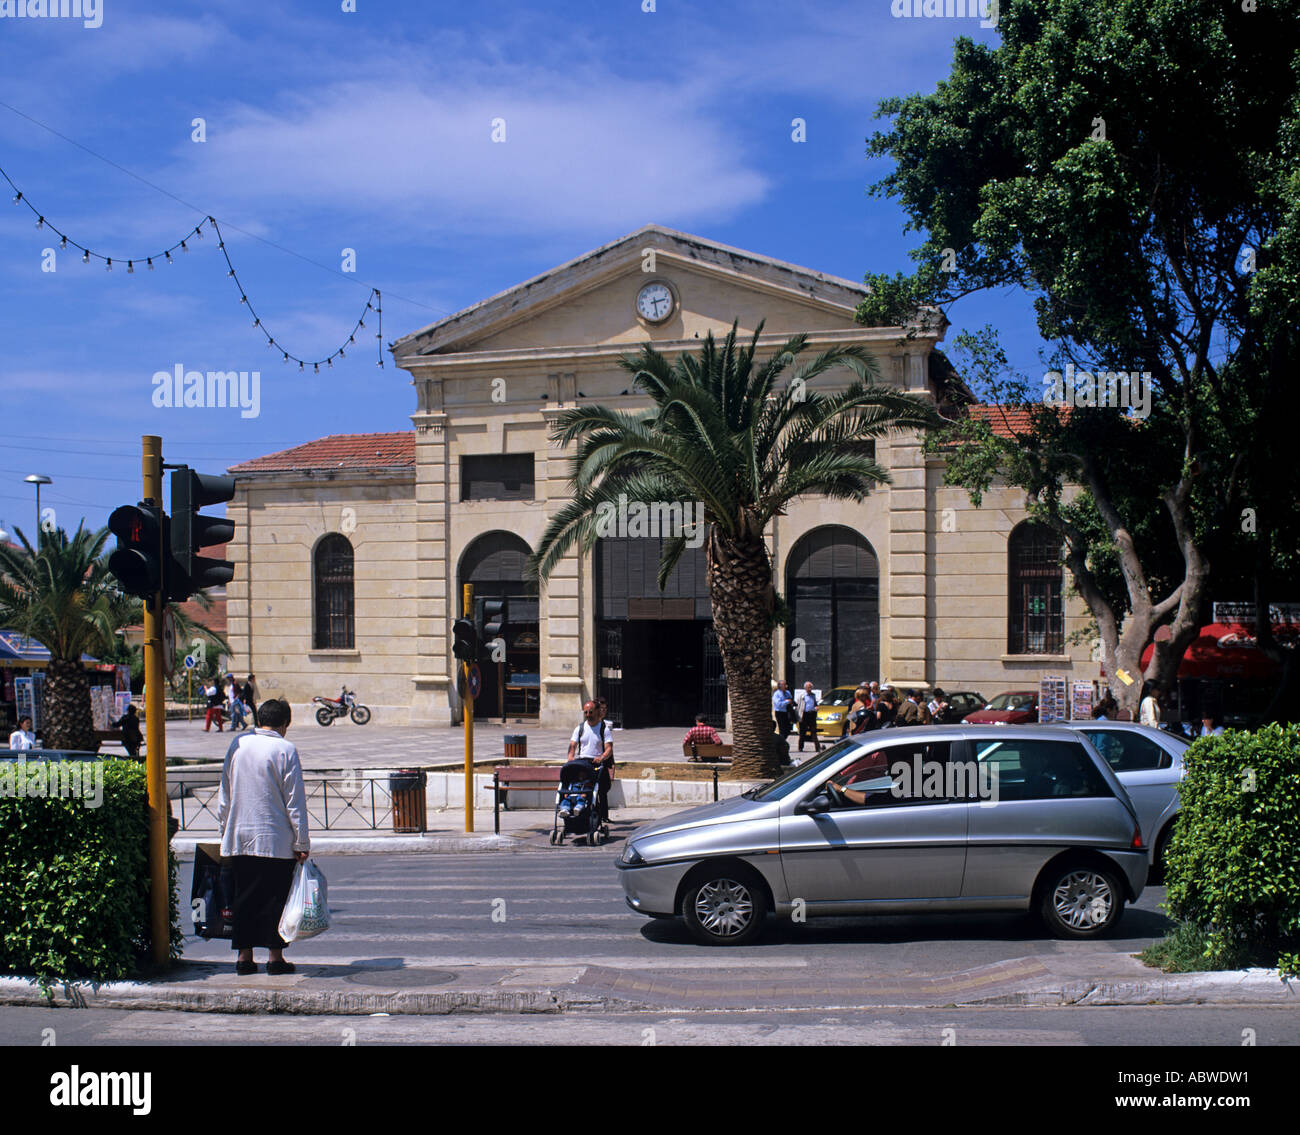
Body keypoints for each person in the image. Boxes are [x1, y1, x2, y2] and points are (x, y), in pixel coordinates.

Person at [216, 698, 310, 976]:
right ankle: (275, 958)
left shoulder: (238, 744)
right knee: (275, 899)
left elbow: (225, 791)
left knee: (242, 898)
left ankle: (244, 958)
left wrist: (225, 831)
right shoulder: (285, 749)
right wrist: (301, 842)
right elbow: (295, 801)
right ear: (285, 724)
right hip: (275, 838)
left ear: (259, 719)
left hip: (240, 835)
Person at [568, 700, 613, 819]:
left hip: (597, 763)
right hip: (583, 763)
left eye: (591, 712)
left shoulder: (604, 729)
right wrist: (571, 758)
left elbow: (609, 749)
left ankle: (603, 817)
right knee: (578, 786)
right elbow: (572, 745)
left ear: (597, 712)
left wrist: (602, 757)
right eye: (586, 712)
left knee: (602, 790)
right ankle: (576, 809)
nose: (588, 715)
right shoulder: (580, 728)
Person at [796, 682, 821, 753]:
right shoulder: (802, 696)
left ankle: (817, 747)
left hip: (812, 714)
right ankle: (800, 747)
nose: (809, 689)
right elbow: (799, 705)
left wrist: (816, 707)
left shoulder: (813, 695)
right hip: (804, 715)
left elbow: (815, 703)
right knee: (802, 733)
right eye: (808, 687)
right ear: (805, 688)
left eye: (810, 687)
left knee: (813, 732)